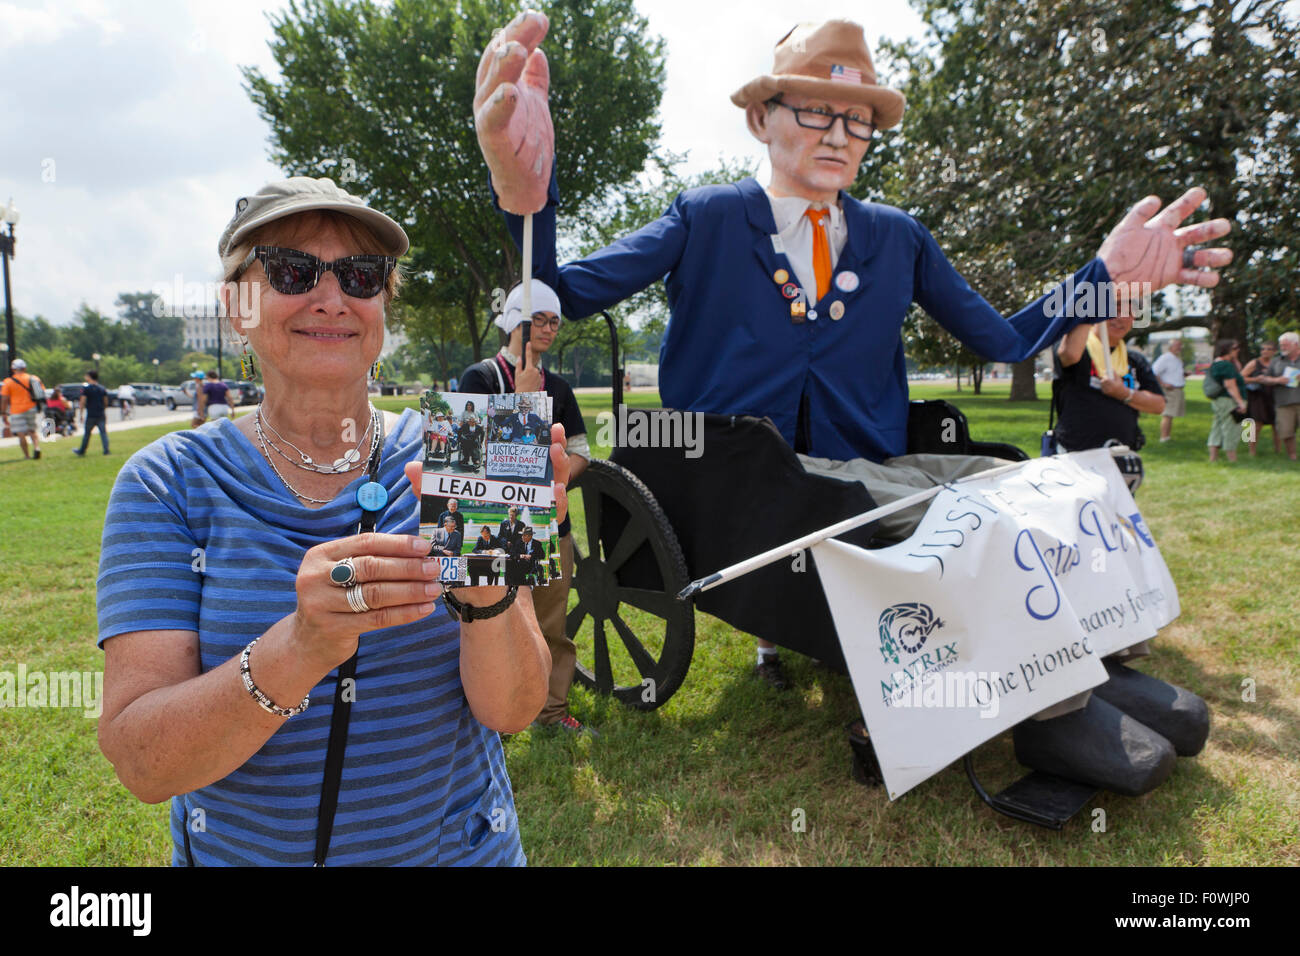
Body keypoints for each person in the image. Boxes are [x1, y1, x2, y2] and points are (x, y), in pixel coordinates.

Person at [474, 13, 1232, 690]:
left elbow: (1001, 338)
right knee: (931, 511)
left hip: (870, 460)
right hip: (739, 471)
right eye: (815, 111)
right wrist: (525, 202)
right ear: (761, 119)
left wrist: (1101, 276)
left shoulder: (896, 236)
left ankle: (1073, 644)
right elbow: (567, 291)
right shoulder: (706, 216)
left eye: (858, 121)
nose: (839, 135)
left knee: (1027, 484)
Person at [96, 177, 561, 866]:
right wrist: (301, 648)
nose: (331, 296)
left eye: (360, 274)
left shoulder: (476, 445)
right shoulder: (166, 482)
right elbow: (144, 763)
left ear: (382, 305)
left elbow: (514, 710)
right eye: (292, 270)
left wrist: (485, 592)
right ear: (236, 306)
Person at [460, 279, 593, 733]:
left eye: (555, 321)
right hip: (493, 527)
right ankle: (489, 709)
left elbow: (579, 453)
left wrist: (552, 482)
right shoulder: (480, 379)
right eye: (540, 319)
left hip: (552, 525)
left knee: (552, 625)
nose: (550, 329)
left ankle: (551, 713)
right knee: (491, 621)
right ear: (516, 322)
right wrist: (522, 403)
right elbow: (468, 460)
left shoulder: (559, 386)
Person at [1053, 310, 1165, 456]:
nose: (1120, 318)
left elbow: (1159, 405)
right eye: (1114, 309)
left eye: (1128, 312)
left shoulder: (1135, 360)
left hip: (1122, 455)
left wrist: (1124, 393)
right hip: (1076, 455)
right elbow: (1069, 355)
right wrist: (1089, 306)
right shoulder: (1076, 349)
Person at [1204, 339, 1248, 463]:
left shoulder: (1218, 363)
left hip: (1219, 401)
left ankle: (1213, 458)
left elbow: (1238, 371)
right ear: (1227, 350)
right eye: (1235, 348)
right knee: (1231, 428)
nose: (1238, 350)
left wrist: (1235, 359)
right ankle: (1232, 459)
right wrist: (1240, 402)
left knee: (1217, 427)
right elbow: (1230, 386)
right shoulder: (1225, 365)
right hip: (1229, 401)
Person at [1264, 331, 1300, 461]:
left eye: (1285, 345)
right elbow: (1265, 379)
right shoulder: (1276, 361)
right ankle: (1292, 456)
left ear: (1296, 345)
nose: (1282, 348)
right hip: (1283, 403)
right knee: (1286, 431)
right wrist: (1277, 380)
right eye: (1281, 345)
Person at [1242, 341, 1281, 457]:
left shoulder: (1278, 363)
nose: (1265, 351)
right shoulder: (1254, 363)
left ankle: (1278, 451)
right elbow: (1241, 378)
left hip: (1274, 397)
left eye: (1269, 349)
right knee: (1254, 425)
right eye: (1263, 349)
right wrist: (1256, 380)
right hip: (1257, 397)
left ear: (1275, 351)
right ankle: (1251, 452)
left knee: (1277, 425)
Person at [1, 358, 43, 459]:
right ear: (24, 368)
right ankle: (36, 447)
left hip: (16, 410)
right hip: (31, 407)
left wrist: (3, 413)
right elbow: (41, 393)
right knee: (32, 430)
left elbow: (5, 399)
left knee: (21, 433)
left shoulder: (8, 382)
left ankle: (27, 455)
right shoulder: (33, 378)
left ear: (13, 369)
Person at [1150, 339, 1186, 442]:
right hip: (1170, 390)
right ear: (1171, 347)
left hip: (1178, 390)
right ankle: (1163, 437)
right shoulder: (1165, 358)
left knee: (1171, 415)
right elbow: (1154, 372)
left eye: (1180, 345)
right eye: (1177, 345)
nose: (1179, 348)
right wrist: (1163, 384)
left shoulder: (1177, 359)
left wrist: (1184, 374)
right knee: (1168, 414)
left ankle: (1167, 436)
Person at [73, 369, 110, 457]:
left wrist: (81, 414)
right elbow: (106, 402)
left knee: (87, 434)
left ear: (89, 377)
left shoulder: (86, 389)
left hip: (91, 415)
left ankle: (82, 451)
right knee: (103, 433)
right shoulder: (102, 388)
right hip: (101, 414)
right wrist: (103, 409)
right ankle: (106, 450)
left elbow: (82, 402)